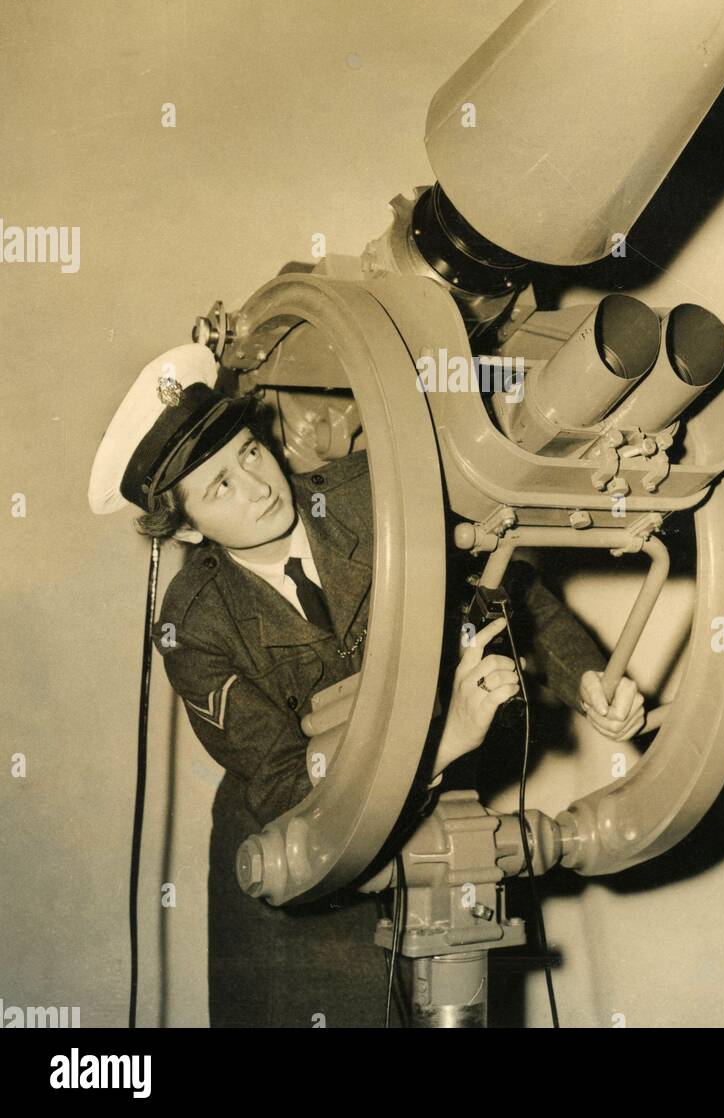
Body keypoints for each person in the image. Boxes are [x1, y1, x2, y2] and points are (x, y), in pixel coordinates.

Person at [89, 342, 645, 1027]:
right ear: (183, 527)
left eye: (250, 454)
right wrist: (445, 740)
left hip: (429, 819)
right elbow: (285, 783)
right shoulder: (194, 623)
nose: (258, 487)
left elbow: (510, 593)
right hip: (300, 858)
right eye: (220, 487)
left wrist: (590, 679)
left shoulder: (370, 494)